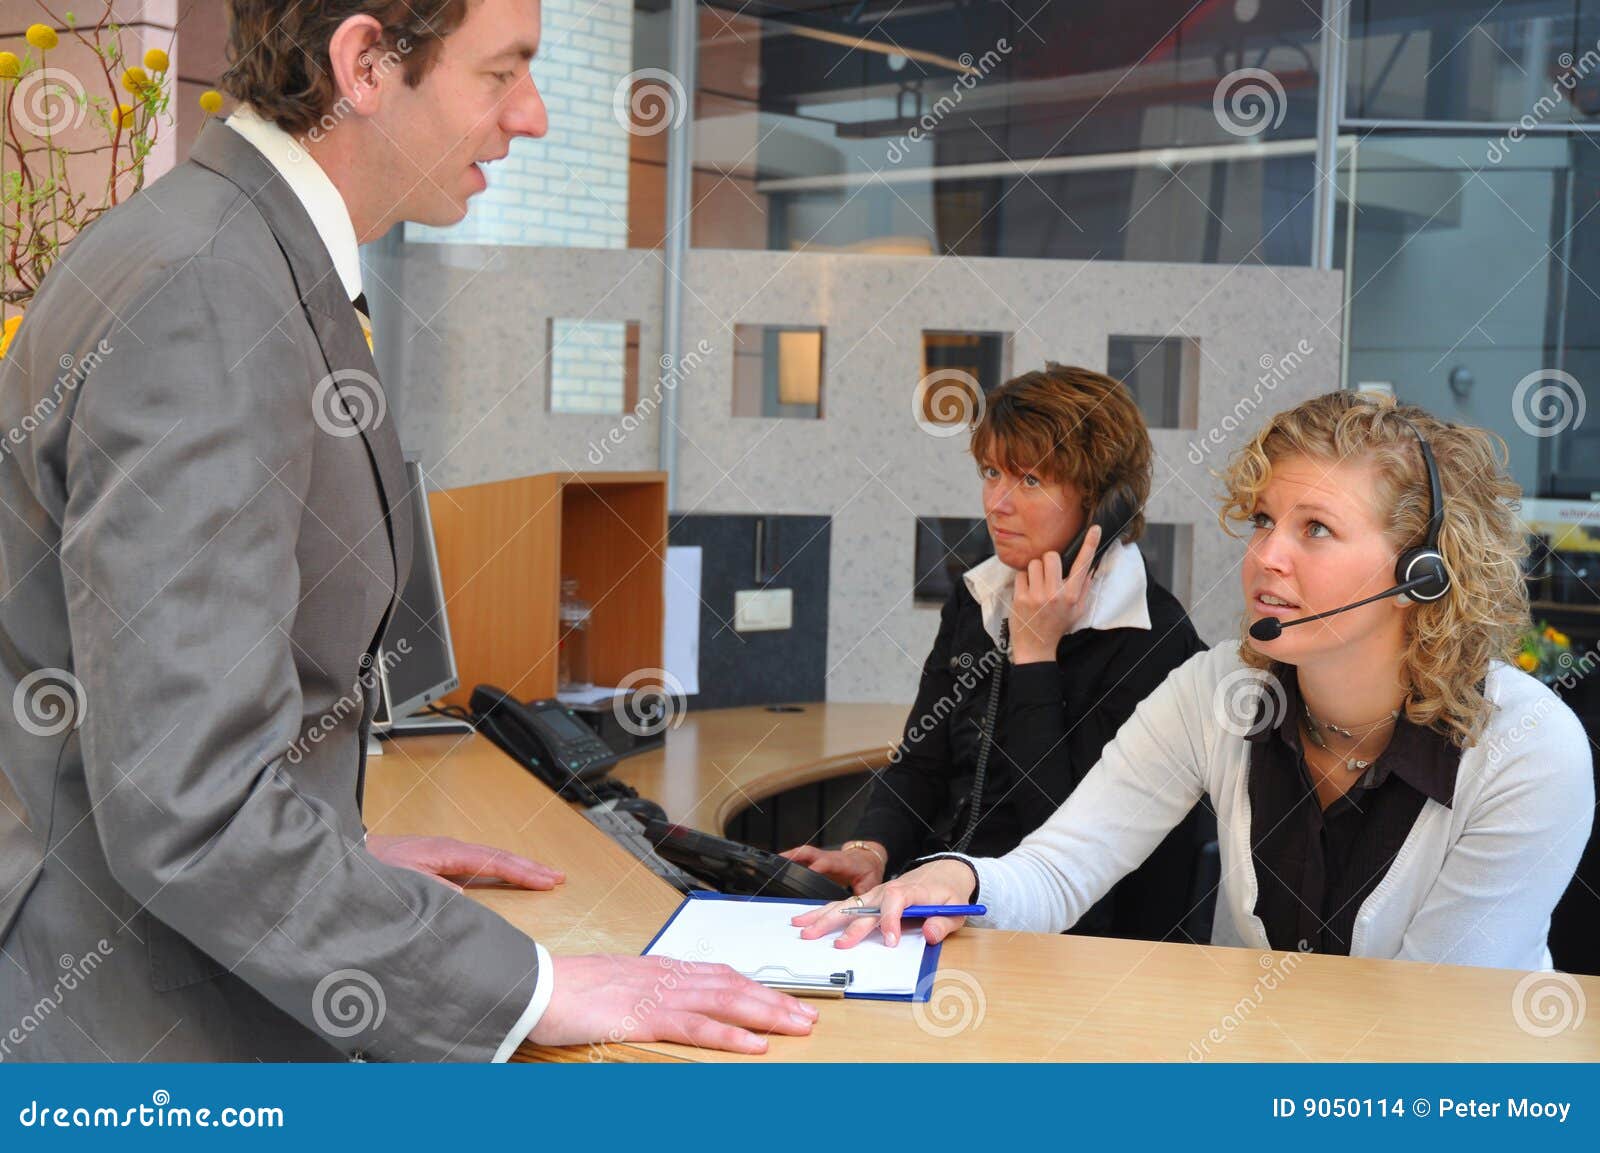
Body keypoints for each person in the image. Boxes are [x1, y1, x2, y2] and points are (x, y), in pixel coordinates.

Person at [0, 0, 814, 1061]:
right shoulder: (209, 294)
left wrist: (340, 843)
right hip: (144, 1030)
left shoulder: (229, 254)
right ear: (366, 64)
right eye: (502, 72)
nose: (533, 117)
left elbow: (159, 713)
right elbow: (189, 803)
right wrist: (527, 989)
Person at [797, 392, 1593, 971]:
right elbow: (1062, 867)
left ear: (1426, 573)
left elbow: (1421, 1017)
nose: (1265, 557)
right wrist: (959, 875)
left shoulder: (1527, 749)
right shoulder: (1216, 692)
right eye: (1262, 522)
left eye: (1314, 529)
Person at [783, 366, 1209, 942]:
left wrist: (1036, 655)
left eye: (1030, 481)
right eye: (990, 473)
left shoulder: (1153, 640)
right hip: (938, 908)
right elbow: (922, 760)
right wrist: (873, 848)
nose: (997, 503)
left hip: (1064, 942)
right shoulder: (978, 598)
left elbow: (1064, 844)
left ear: (1103, 503)